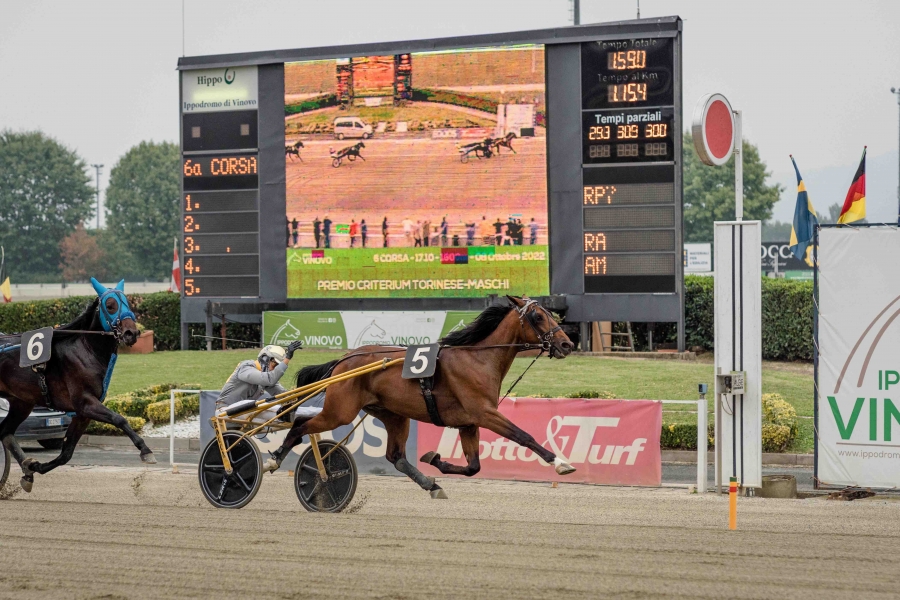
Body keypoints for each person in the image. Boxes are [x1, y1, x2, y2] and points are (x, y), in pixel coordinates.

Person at [216, 342, 304, 421]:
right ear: (265, 359)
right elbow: (270, 379)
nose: (275, 369)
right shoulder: (246, 367)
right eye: (275, 365)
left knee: (288, 412)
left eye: (278, 367)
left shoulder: (265, 377)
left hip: (243, 412)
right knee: (252, 404)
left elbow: (283, 395)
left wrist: (302, 393)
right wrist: (287, 358)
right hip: (225, 411)